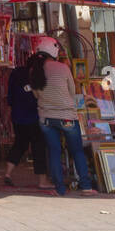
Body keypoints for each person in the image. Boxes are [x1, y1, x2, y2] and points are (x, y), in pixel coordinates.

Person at [29, 35, 97, 196]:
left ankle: (60, 188)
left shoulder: (34, 71)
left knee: (54, 151)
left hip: (45, 118)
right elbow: (72, 92)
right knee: (77, 151)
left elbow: (36, 95)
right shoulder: (63, 68)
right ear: (53, 51)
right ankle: (86, 186)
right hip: (67, 116)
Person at [3, 61, 51, 189]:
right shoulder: (38, 73)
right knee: (38, 148)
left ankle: (8, 173)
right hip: (34, 116)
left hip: (18, 116)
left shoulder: (15, 73)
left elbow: (10, 96)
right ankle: (42, 181)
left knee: (19, 144)